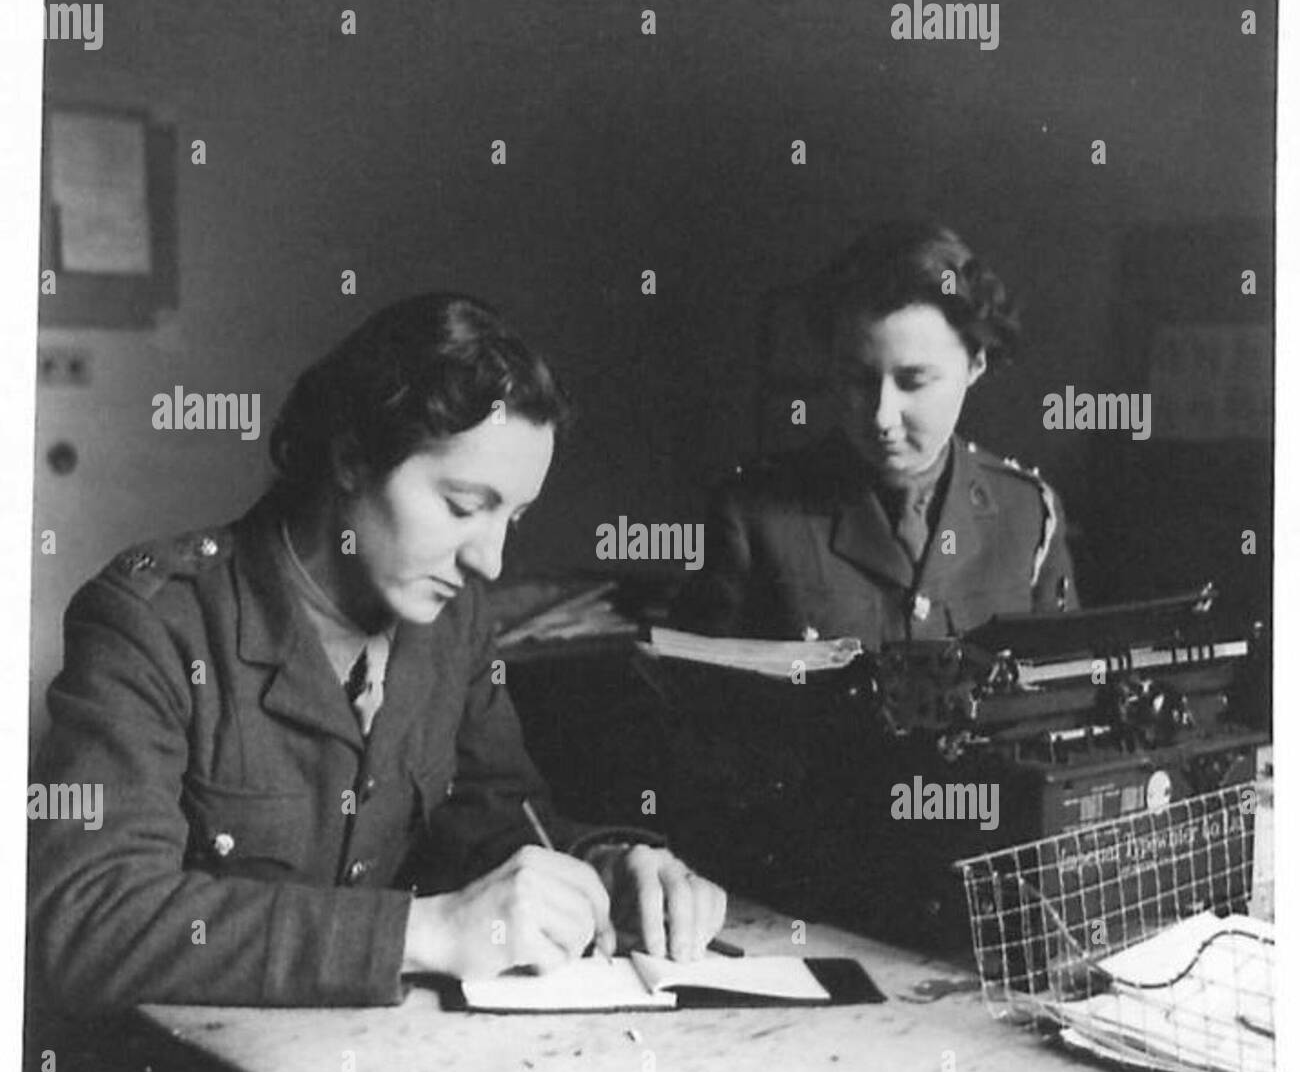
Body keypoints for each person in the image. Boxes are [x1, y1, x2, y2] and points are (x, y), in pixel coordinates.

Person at [28, 293, 726, 1010]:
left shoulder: (451, 622)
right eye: (463, 507)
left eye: (513, 518)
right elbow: (85, 917)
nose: (489, 560)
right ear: (352, 459)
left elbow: (496, 820)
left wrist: (602, 869)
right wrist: (420, 933)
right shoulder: (158, 620)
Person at [673, 220, 1080, 646]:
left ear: (975, 365)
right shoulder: (752, 516)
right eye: (857, 379)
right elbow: (698, 700)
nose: (882, 416)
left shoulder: (1029, 515)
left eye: (913, 381)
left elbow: (1060, 697)